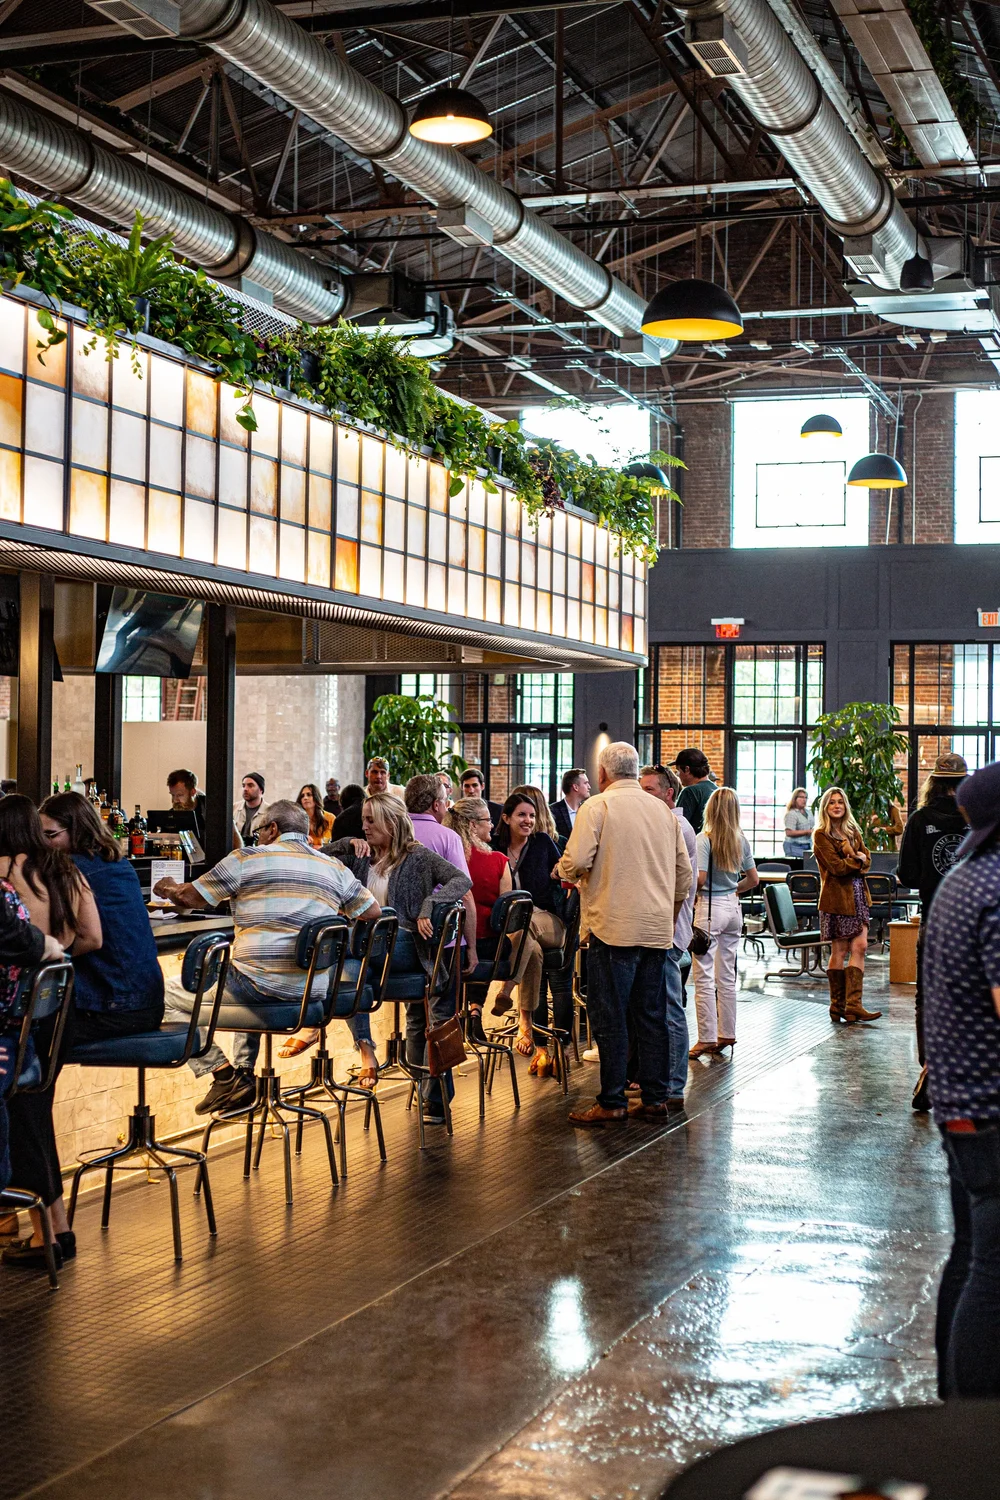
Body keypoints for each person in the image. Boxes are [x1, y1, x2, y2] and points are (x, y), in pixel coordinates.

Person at [153, 800, 380, 1113]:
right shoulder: (334, 868)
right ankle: (243, 1074)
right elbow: (372, 911)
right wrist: (324, 909)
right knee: (243, 968)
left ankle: (224, 1075)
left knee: (158, 995)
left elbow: (190, 897)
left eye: (259, 830)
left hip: (259, 990)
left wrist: (167, 888)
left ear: (273, 829)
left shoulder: (247, 859)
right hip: (313, 995)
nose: (257, 837)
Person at [557, 742, 691, 1126]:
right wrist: (668, 916)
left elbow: (577, 859)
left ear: (602, 774)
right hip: (656, 930)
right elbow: (683, 877)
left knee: (611, 1017)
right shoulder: (663, 811)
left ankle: (613, 1101)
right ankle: (655, 1099)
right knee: (653, 1017)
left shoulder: (597, 806)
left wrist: (564, 872)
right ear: (634, 771)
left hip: (612, 927)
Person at [0, 794, 106, 1270]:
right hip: (57, 1010)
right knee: (35, 1116)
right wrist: (55, 958)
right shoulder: (66, 869)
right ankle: (56, 1230)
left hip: (15, 1018)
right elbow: (93, 937)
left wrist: (36, 956)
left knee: (25, 1120)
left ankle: (46, 1233)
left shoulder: (7, 872)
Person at [923, 760, 1000, 1398]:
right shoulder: (997, 887)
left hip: (961, 1103)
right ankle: (974, 1421)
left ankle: (952, 1403)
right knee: (994, 1271)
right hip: (991, 1109)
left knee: (972, 1255)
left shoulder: (961, 878)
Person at [327, 794, 472, 1125]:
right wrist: (346, 843)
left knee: (358, 943)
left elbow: (461, 881)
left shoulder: (417, 856)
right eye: (363, 821)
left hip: (408, 947)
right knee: (348, 972)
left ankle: (435, 1094)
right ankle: (367, 1050)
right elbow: (316, 857)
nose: (364, 827)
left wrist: (430, 905)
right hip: (369, 953)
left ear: (391, 823)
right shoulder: (360, 857)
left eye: (370, 820)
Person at [897, 751, 969, 1111]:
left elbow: (907, 875)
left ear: (934, 783)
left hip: (934, 919)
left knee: (926, 997)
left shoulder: (920, 819)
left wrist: (930, 874)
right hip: (973, 923)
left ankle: (930, 1067)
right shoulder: (979, 819)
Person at [445, 796, 540, 1052]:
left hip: (447, 947)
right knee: (508, 942)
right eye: (488, 820)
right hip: (489, 951)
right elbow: (507, 914)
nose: (492, 825)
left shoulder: (444, 857)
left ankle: (462, 1016)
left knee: (473, 949)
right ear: (472, 825)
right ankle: (484, 1009)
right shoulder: (498, 860)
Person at [0, 887, 64, 1218]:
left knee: (28, 1109)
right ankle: (51, 1227)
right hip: (24, 1036)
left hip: (14, 1040)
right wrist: (47, 945)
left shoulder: (11, 889)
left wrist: (44, 945)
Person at [494, 791, 565, 1075]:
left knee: (528, 926)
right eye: (522, 815)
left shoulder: (542, 842)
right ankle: (527, 1026)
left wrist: (559, 871)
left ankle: (507, 988)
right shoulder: (496, 847)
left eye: (532, 816)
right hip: (516, 928)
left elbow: (563, 869)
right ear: (506, 818)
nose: (528, 820)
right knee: (531, 951)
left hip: (549, 921)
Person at [639, 764, 697, 1104]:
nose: (643, 796)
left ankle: (673, 1087)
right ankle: (661, 1082)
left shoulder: (676, 826)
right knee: (659, 1009)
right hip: (663, 929)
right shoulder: (664, 823)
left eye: (649, 790)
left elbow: (678, 883)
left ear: (668, 792)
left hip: (669, 931)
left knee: (670, 1009)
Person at [689, 786, 759, 1059]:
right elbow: (753, 880)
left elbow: (700, 878)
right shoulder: (741, 840)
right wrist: (732, 890)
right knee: (727, 974)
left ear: (710, 809)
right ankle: (727, 1033)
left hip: (709, 908)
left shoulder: (704, 839)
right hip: (733, 909)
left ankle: (706, 1037)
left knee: (704, 976)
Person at [813, 785, 879, 1024]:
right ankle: (837, 1006)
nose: (836, 806)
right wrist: (858, 861)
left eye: (840, 802)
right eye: (832, 802)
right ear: (825, 807)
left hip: (859, 895)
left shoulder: (852, 830)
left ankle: (854, 1005)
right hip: (837, 899)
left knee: (860, 946)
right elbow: (837, 868)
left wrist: (860, 860)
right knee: (840, 950)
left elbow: (868, 858)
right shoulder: (821, 835)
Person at [403, 775, 479, 974]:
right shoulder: (448, 837)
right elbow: (464, 892)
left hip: (400, 937)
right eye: (446, 801)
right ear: (436, 805)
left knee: (410, 991)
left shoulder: (393, 833)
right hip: (441, 934)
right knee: (444, 992)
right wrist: (471, 947)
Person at [671, 748, 715, 834]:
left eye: (678, 770)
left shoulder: (690, 792)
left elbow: (678, 827)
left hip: (693, 841)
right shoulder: (716, 789)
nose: (678, 775)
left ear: (687, 769)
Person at [550, 768, 591, 848]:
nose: (589, 787)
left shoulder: (589, 810)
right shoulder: (552, 811)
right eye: (586, 783)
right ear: (575, 787)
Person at [167, 768, 207, 845]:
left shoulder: (211, 809)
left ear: (193, 792)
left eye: (179, 795)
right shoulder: (171, 815)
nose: (175, 800)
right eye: (172, 795)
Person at [233, 771, 267, 847]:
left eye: (250, 786)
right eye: (243, 786)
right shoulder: (234, 808)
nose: (245, 789)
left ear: (261, 790)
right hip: (236, 851)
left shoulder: (269, 811)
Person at [297, 783, 335, 850]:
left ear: (316, 797)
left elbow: (338, 843)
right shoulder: (297, 820)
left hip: (327, 854)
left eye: (309, 795)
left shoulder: (330, 818)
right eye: (302, 796)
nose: (305, 798)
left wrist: (322, 848)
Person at [783, 787, 814, 859]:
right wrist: (807, 832)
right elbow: (789, 832)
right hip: (794, 846)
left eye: (806, 797)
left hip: (808, 845)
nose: (804, 800)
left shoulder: (809, 812)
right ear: (795, 799)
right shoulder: (792, 813)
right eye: (801, 797)